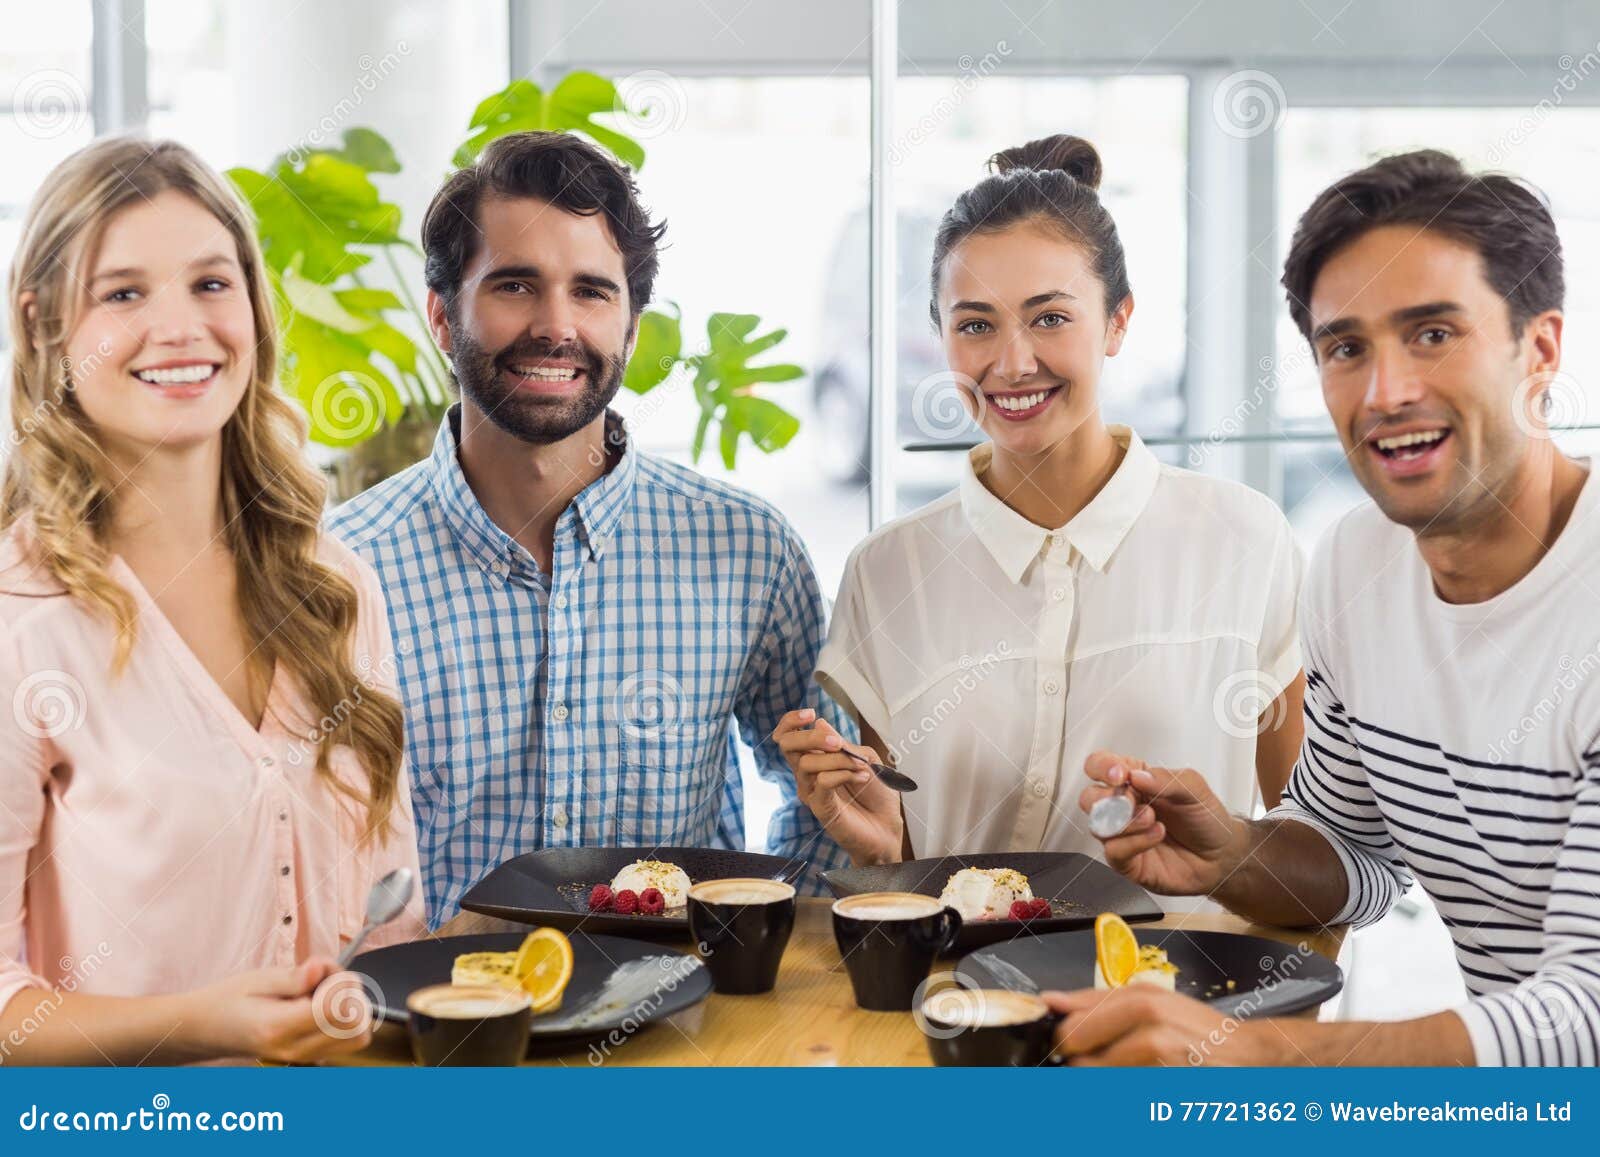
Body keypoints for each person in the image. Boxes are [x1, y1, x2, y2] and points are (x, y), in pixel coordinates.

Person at [1056, 150, 1598, 1066]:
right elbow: (1355, 857)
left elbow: (1588, 1009)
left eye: (1432, 333)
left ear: (1539, 349)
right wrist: (1233, 853)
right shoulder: (1357, 562)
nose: (1385, 392)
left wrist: (1265, 1053)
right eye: (1346, 347)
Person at [327, 131, 852, 925]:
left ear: (632, 330)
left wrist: (756, 953)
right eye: (514, 285)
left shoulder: (749, 551)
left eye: (592, 292)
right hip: (434, 1036)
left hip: (691, 1031)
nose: (555, 325)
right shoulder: (339, 569)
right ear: (442, 316)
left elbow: (830, 806)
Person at [773, 136, 1304, 880]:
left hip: (1178, 987)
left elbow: (1311, 847)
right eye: (975, 324)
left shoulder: (1245, 540)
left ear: (1118, 321)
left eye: (1050, 317)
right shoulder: (886, 573)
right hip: (955, 993)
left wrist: (1282, 998)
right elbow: (911, 860)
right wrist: (878, 844)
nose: (1012, 362)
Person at [0, 138, 425, 1064]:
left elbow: (395, 922)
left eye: (209, 283)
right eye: (123, 294)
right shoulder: (19, 618)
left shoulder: (332, 580)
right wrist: (203, 1022)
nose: (182, 327)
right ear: (40, 326)